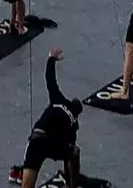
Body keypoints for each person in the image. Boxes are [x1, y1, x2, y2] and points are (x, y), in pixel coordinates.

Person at [15, 48, 82, 188]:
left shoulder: (58, 100)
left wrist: (51, 58)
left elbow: (50, 79)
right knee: (75, 153)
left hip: (36, 139)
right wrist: (69, 178)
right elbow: (70, 151)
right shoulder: (73, 122)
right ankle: (73, 185)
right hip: (50, 143)